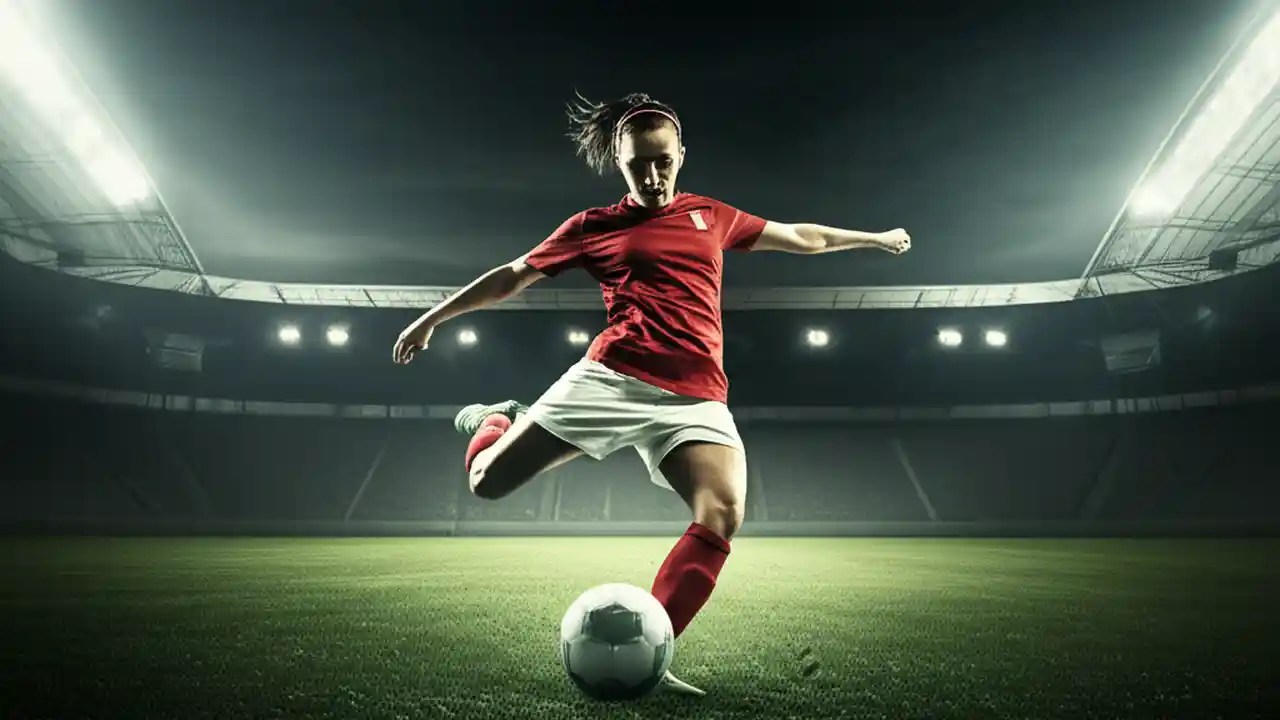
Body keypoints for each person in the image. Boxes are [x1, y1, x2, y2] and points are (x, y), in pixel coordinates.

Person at [393, 91, 911, 695]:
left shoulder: (711, 215)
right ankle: (497, 419)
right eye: (638, 165)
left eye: (663, 161)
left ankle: (651, 656)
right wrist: (432, 317)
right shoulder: (593, 227)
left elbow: (802, 237)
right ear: (620, 163)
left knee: (722, 513)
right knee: (486, 482)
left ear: (681, 154)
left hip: (696, 396)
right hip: (612, 379)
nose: (652, 175)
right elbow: (513, 276)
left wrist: (875, 239)